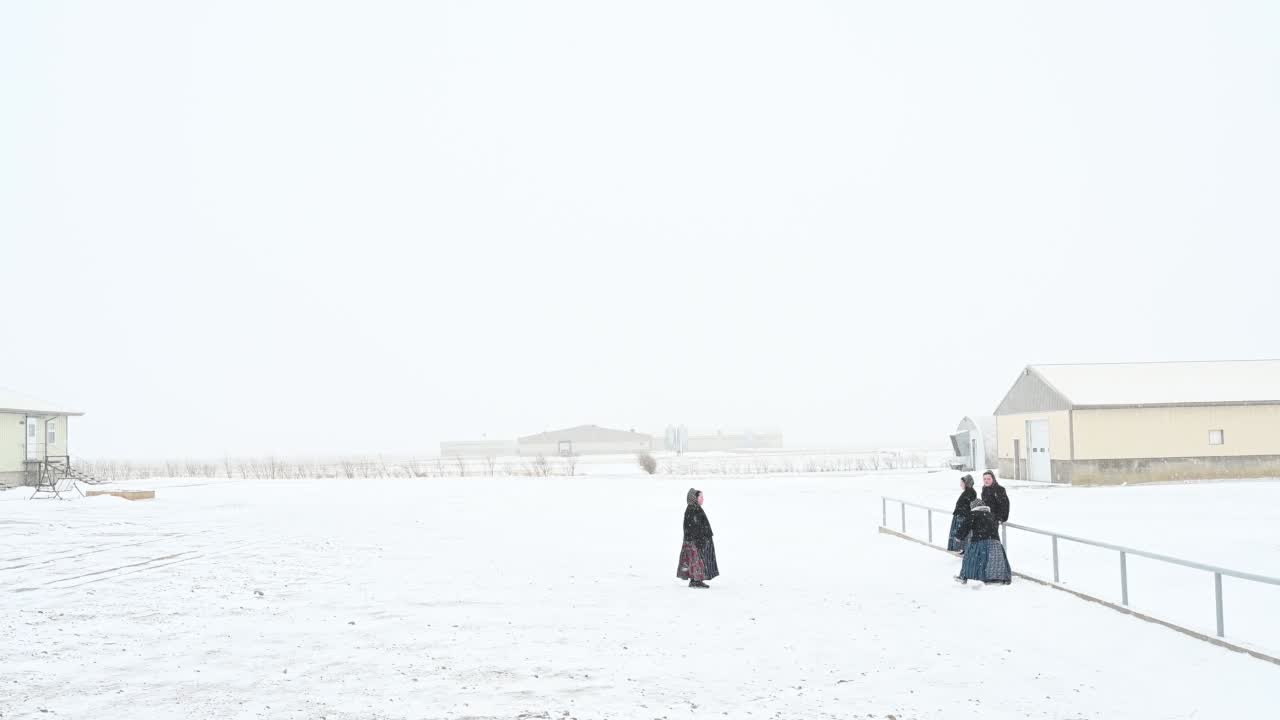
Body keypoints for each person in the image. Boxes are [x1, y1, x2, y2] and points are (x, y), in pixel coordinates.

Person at [953, 498, 1012, 584]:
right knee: (993, 560)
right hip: (995, 542)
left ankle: (966, 576)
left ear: (973, 507)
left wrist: (959, 536)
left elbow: (965, 526)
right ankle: (997, 577)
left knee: (970, 559)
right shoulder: (991, 515)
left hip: (979, 540)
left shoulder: (973, 514)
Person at [676, 488, 719, 589]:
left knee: (698, 560)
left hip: (698, 540)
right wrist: (699, 540)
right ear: (694, 498)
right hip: (695, 541)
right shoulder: (692, 509)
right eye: (701, 497)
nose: (703, 499)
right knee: (696, 560)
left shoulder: (696, 508)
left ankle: (696, 579)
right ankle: (695, 580)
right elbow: (694, 528)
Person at [948, 475, 977, 552]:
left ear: (967, 483)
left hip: (963, 516)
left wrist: (963, 513)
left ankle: (964, 549)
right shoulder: (967, 492)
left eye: (962, 482)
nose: (960, 484)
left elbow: (969, 505)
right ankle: (963, 549)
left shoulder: (970, 492)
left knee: (963, 533)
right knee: (961, 533)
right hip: (961, 515)